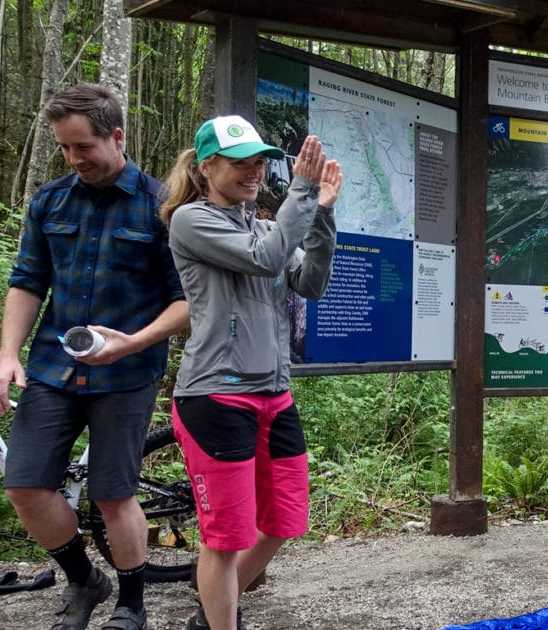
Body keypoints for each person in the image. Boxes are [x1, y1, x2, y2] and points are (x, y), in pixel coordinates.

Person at [0, 84, 189, 630]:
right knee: (25, 485)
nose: (74, 159)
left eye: (83, 147)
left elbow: (185, 299)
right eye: (64, 149)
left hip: (127, 372)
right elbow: (27, 281)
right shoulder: (50, 201)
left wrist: (135, 341)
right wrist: (9, 355)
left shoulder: (161, 205)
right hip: (54, 368)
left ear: (116, 136)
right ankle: (84, 581)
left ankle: (131, 603)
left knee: (112, 493)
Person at [159, 115, 341, 629]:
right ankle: (223, 619)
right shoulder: (192, 221)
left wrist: (322, 213)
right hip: (216, 395)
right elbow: (266, 260)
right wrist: (302, 191)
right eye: (240, 163)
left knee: (285, 519)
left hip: (274, 393)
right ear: (206, 166)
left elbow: (311, 282)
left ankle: (217, 606)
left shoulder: (264, 226)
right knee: (226, 536)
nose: (253, 172)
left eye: (259, 162)